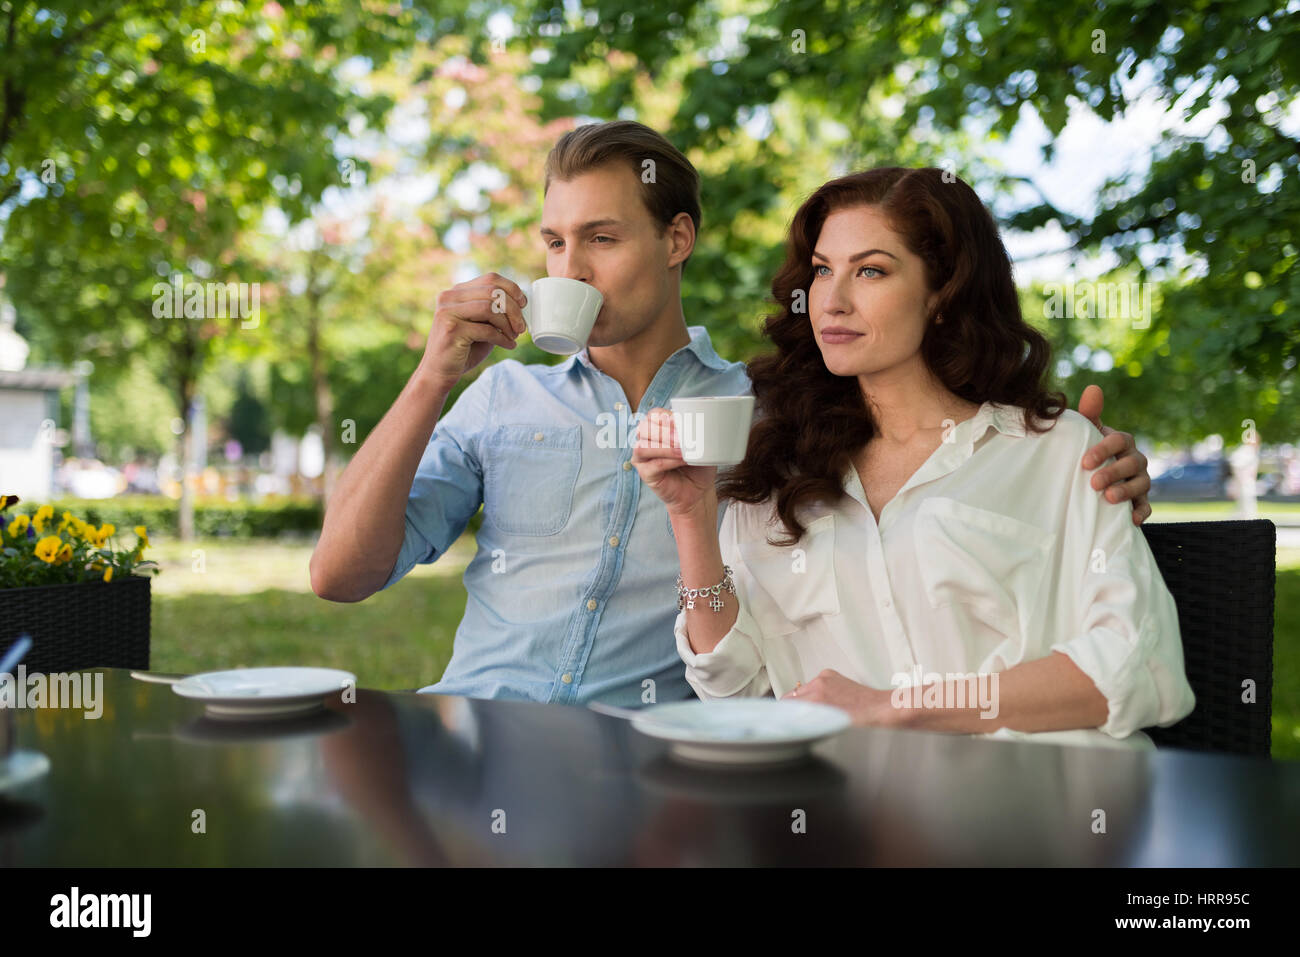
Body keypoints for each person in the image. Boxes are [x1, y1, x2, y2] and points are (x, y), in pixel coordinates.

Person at [311, 123, 1154, 708]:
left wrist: (1090, 463)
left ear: (676, 240)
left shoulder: (776, 409)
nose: (570, 268)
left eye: (601, 239)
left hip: (648, 764)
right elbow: (339, 576)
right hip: (473, 730)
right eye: (555, 243)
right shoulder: (500, 397)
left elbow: (934, 432)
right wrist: (431, 376)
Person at [632, 166, 1193, 748]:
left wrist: (895, 707)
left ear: (943, 295)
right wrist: (692, 518)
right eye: (823, 270)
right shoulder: (778, 468)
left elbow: (1135, 664)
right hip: (854, 814)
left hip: (1042, 804)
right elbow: (733, 689)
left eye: (871, 271)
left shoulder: (1060, 451)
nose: (834, 300)